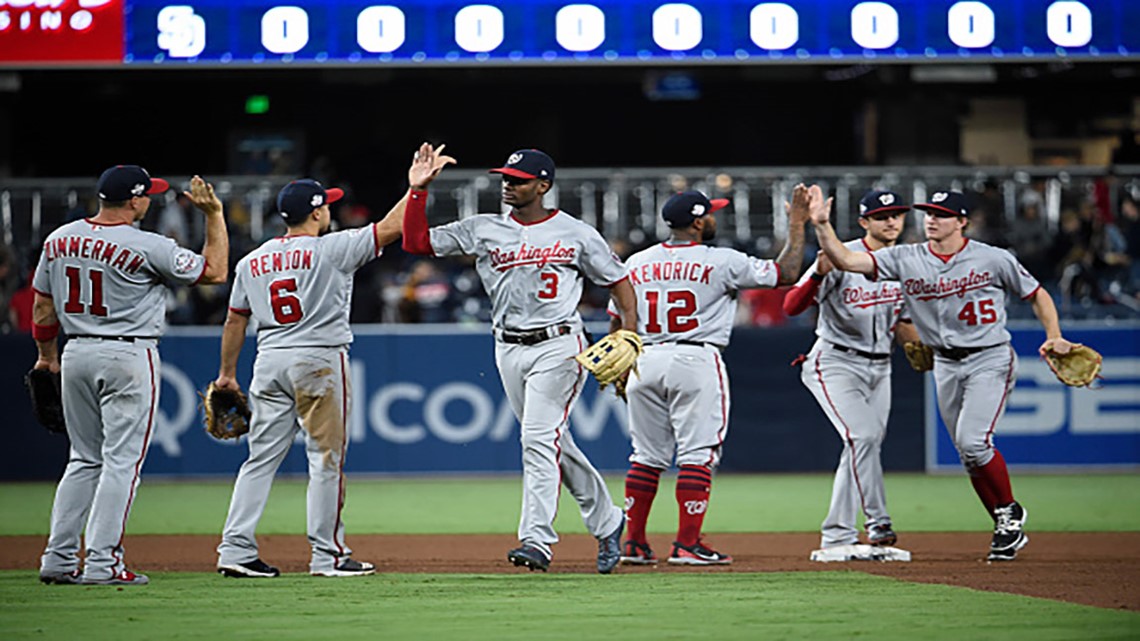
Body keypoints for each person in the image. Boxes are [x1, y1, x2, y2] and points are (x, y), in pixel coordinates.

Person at [214, 143, 454, 578]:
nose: (330, 211)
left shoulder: (252, 261)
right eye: (326, 206)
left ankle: (234, 550)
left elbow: (235, 320)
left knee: (259, 459)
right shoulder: (333, 249)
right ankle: (327, 555)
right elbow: (394, 227)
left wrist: (227, 374)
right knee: (326, 459)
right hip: (318, 360)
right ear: (317, 213)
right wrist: (416, 187)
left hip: (268, 360)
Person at [809, 187, 1075, 561]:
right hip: (945, 364)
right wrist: (821, 226)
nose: (931, 219)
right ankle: (1006, 518)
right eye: (929, 212)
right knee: (968, 454)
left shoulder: (993, 258)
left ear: (962, 221)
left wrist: (1055, 336)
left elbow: (1037, 294)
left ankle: (1007, 517)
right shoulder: (905, 257)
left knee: (974, 441)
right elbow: (847, 260)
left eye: (942, 213)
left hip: (990, 357)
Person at [402, 148, 635, 574]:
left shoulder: (575, 232)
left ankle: (537, 539)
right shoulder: (483, 228)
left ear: (543, 185)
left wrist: (628, 332)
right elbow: (417, 242)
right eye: (506, 178)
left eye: (520, 179)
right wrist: (418, 192)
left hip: (560, 344)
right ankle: (608, 520)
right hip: (507, 346)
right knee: (549, 443)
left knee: (537, 438)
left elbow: (619, 281)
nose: (509, 184)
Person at [34, 165, 229, 585]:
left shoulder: (58, 239)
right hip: (127, 353)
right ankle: (103, 563)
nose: (150, 201)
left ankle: (58, 558)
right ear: (136, 199)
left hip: (76, 352)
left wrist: (46, 357)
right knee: (122, 463)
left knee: (83, 459)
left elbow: (42, 308)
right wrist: (213, 215)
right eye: (148, 195)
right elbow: (214, 271)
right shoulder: (148, 245)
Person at [616, 188, 810, 566]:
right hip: (695, 356)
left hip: (646, 358)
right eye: (711, 214)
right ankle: (687, 544)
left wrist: (626, 361)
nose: (714, 218)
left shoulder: (637, 262)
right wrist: (797, 224)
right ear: (699, 221)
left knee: (646, 457)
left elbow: (619, 315)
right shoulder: (721, 259)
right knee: (697, 455)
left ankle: (634, 543)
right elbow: (786, 273)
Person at [782, 190, 920, 555]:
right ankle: (878, 522)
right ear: (865, 222)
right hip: (836, 362)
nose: (891, 222)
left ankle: (837, 535)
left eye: (897, 215)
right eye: (881, 216)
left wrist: (918, 346)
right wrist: (816, 276)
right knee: (863, 437)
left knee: (861, 445)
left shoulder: (905, 261)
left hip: (880, 366)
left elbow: (903, 321)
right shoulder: (840, 254)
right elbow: (791, 305)